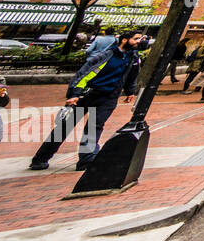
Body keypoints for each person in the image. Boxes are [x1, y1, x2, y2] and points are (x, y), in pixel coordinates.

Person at [29, 30, 142, 171]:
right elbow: (83, 75)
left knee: (95, 126)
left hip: (109, 97)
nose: (139, 41)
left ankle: (86, 160)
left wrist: (130, 91)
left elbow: (132, 75)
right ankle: (40, 159)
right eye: (136, 39)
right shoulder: (105, 56)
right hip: (87, 95)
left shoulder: (133, 58)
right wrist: (74, 94)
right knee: (65, 126)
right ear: (124, 40)